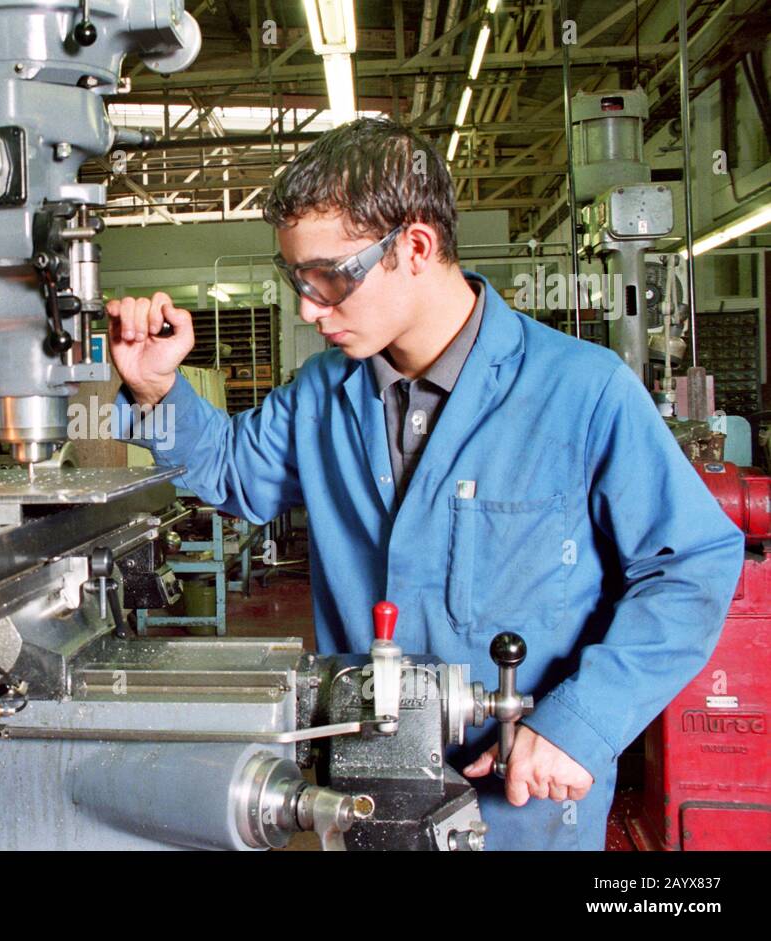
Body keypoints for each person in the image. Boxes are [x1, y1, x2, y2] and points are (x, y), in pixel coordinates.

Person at [106, 117, 744, 850]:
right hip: (364, 798)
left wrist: (582, 721)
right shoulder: (322, 394)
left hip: (520, 807)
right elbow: (232, 472)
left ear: (414, 245)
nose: (310, 308)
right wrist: (158, 392)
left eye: (329, 277)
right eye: (296, 279)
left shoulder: (582, 391)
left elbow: (690, 563)